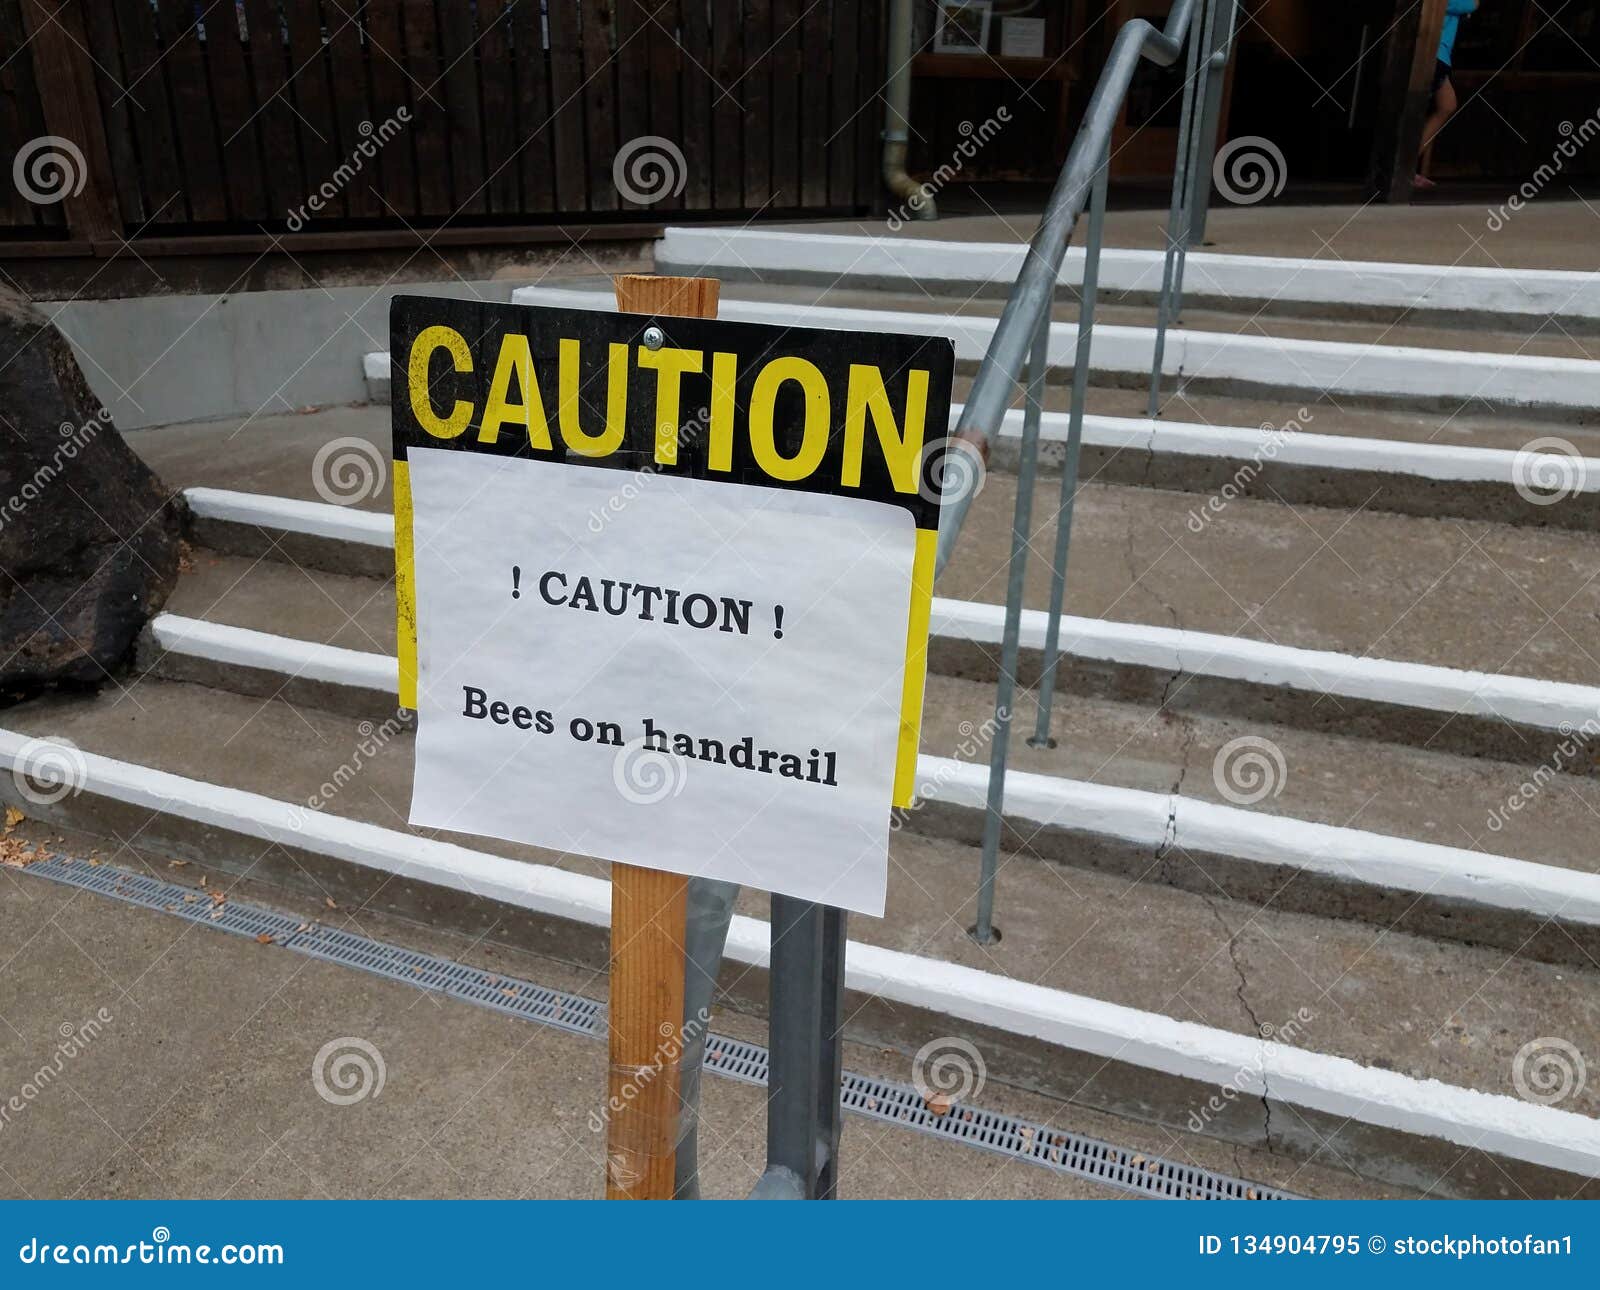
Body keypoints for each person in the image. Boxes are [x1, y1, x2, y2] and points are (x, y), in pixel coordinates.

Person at [1416, 0, 1479, 189]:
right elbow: (1472, 4)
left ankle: (1409, 167)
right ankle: (1404, 167)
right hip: (1432, 54)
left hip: (1439, 54)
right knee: (1430, 108)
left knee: (1446, 105)